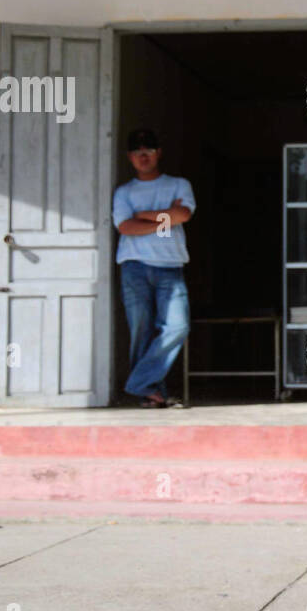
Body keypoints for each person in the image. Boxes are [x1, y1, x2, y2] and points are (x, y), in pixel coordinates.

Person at [113, 128, 195, 408]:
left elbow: (183, 214)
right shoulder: (124, 192)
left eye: (148, 151)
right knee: (141, 331)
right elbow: (125, 226)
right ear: (129, 157)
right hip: (134, 267)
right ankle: (150, 392)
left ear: (158, 153)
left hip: (170, 267)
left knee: (177, 326)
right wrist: (165, 217)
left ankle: (138, 383)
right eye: (137, 152)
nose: (142, 156)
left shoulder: (178, 185)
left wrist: (144, 216)